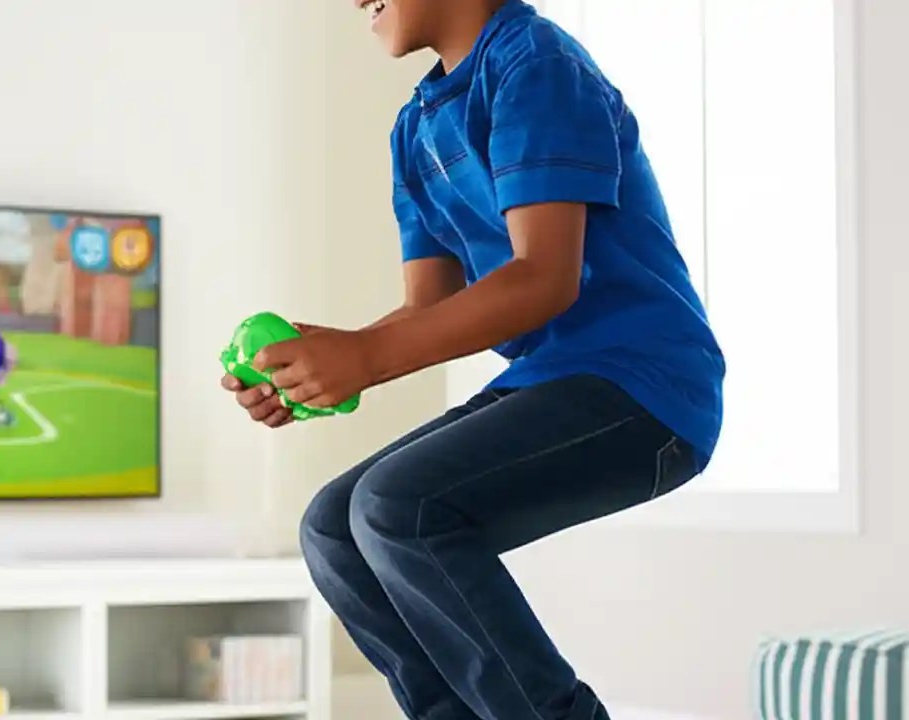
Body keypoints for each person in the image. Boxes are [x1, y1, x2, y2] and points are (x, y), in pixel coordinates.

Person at [220, 0, 725, 718]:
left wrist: (364, 356)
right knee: (333, 527)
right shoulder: (416, 126)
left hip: (646, 387)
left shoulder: (536, 66)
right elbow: (427, 307)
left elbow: (544, 278)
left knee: (400, 508)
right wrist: (322, 366)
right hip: (547, 382)